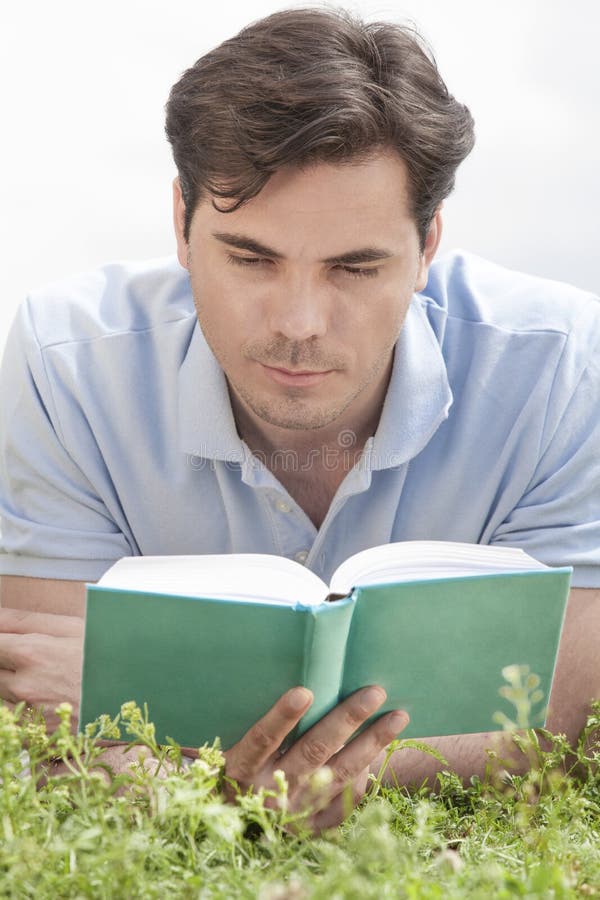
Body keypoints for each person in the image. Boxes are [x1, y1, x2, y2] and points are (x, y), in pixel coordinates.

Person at [0, 7, 598, 831]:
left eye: (355, 266)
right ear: (181, 223)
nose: (299, 323)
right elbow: (39, 692)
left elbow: (572, 717)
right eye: (250, 258)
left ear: (428, 245)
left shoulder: (562, 365)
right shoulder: (65, 359)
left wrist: (190, 749)